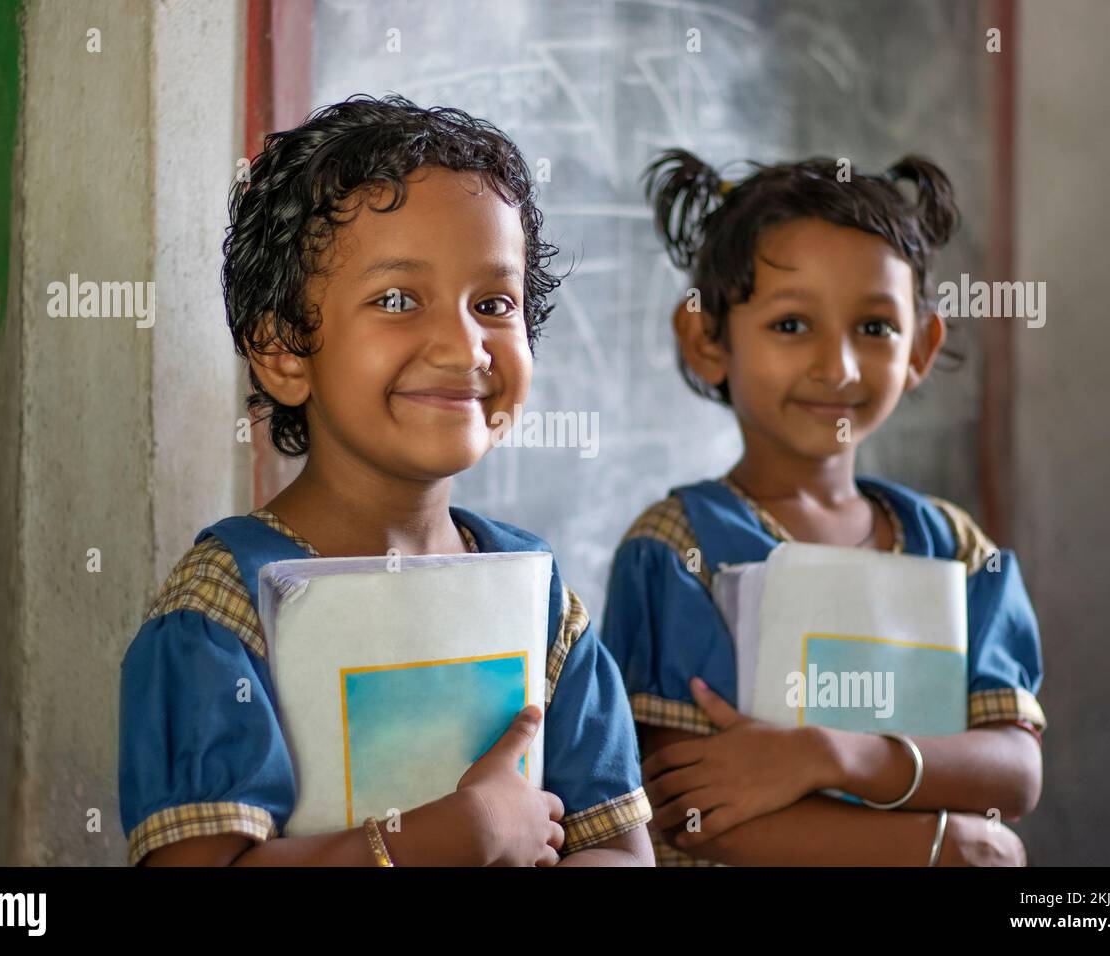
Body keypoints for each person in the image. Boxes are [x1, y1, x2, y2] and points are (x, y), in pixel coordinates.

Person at [118, 95, 653, 867]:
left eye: (494, 303)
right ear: (283, 352)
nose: (464, 344)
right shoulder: (224, 611)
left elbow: (622, 853)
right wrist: (451, 838)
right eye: (398, 299)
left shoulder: (539, 604)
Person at [601, 150, 1045, 866]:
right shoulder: (677, 546)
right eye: (790, 326)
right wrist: (935, 843)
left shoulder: (960, 548)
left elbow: (1015, 774)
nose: (836, 366)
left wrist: (827, 754)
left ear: (922, 348)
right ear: (707, 340)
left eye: (874, 328)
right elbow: (689, 810)